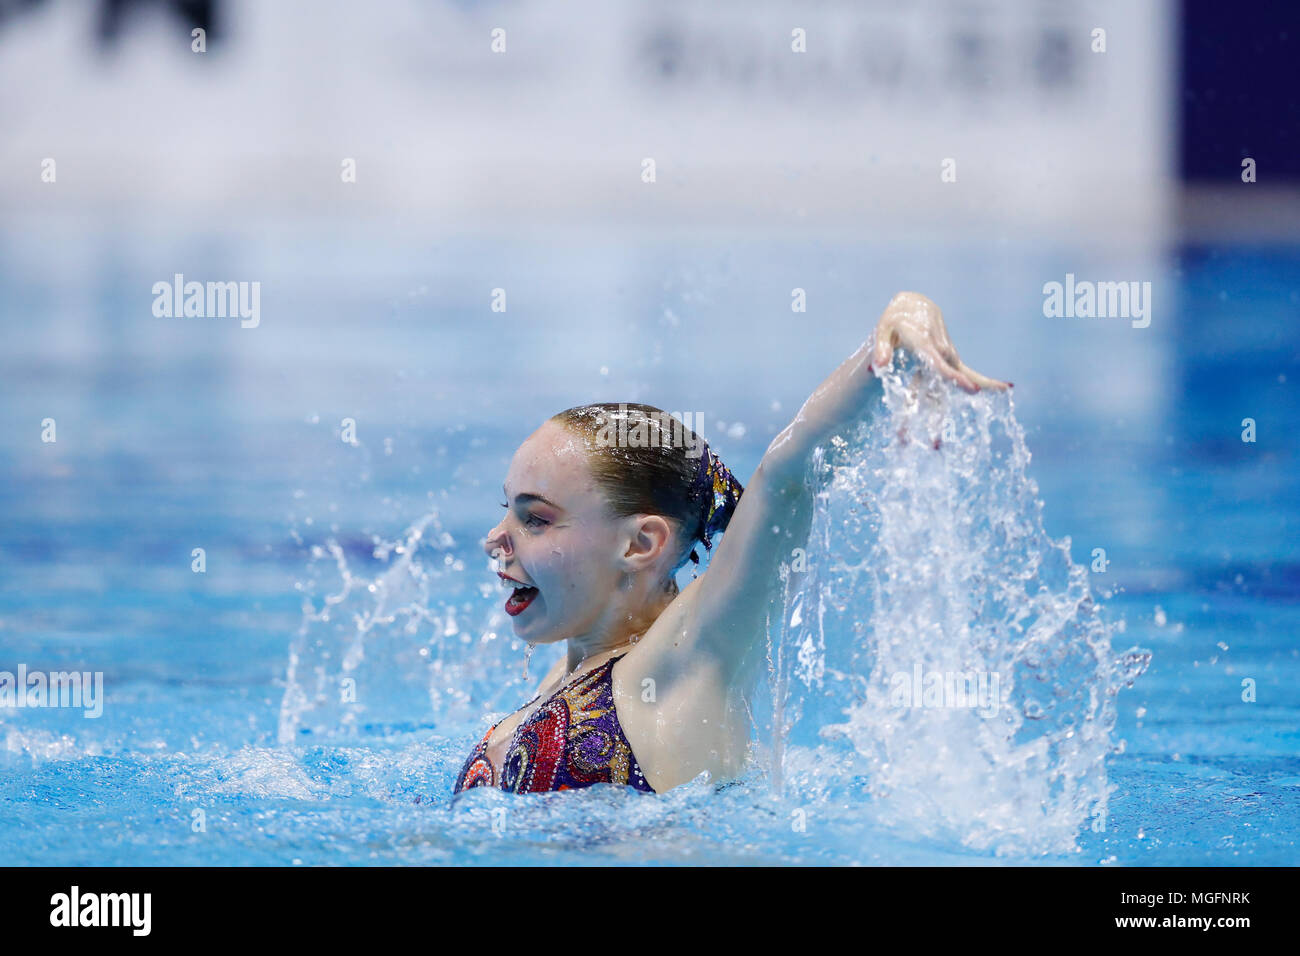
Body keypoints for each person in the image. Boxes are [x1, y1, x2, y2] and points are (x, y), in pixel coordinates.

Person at [453, 291, 1010, 795]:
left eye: (536, 519)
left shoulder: (686, 660)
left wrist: (902, 321)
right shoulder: (571, 669)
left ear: (640, 543)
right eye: (508, 510)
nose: (494, 540)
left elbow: (788, 477)